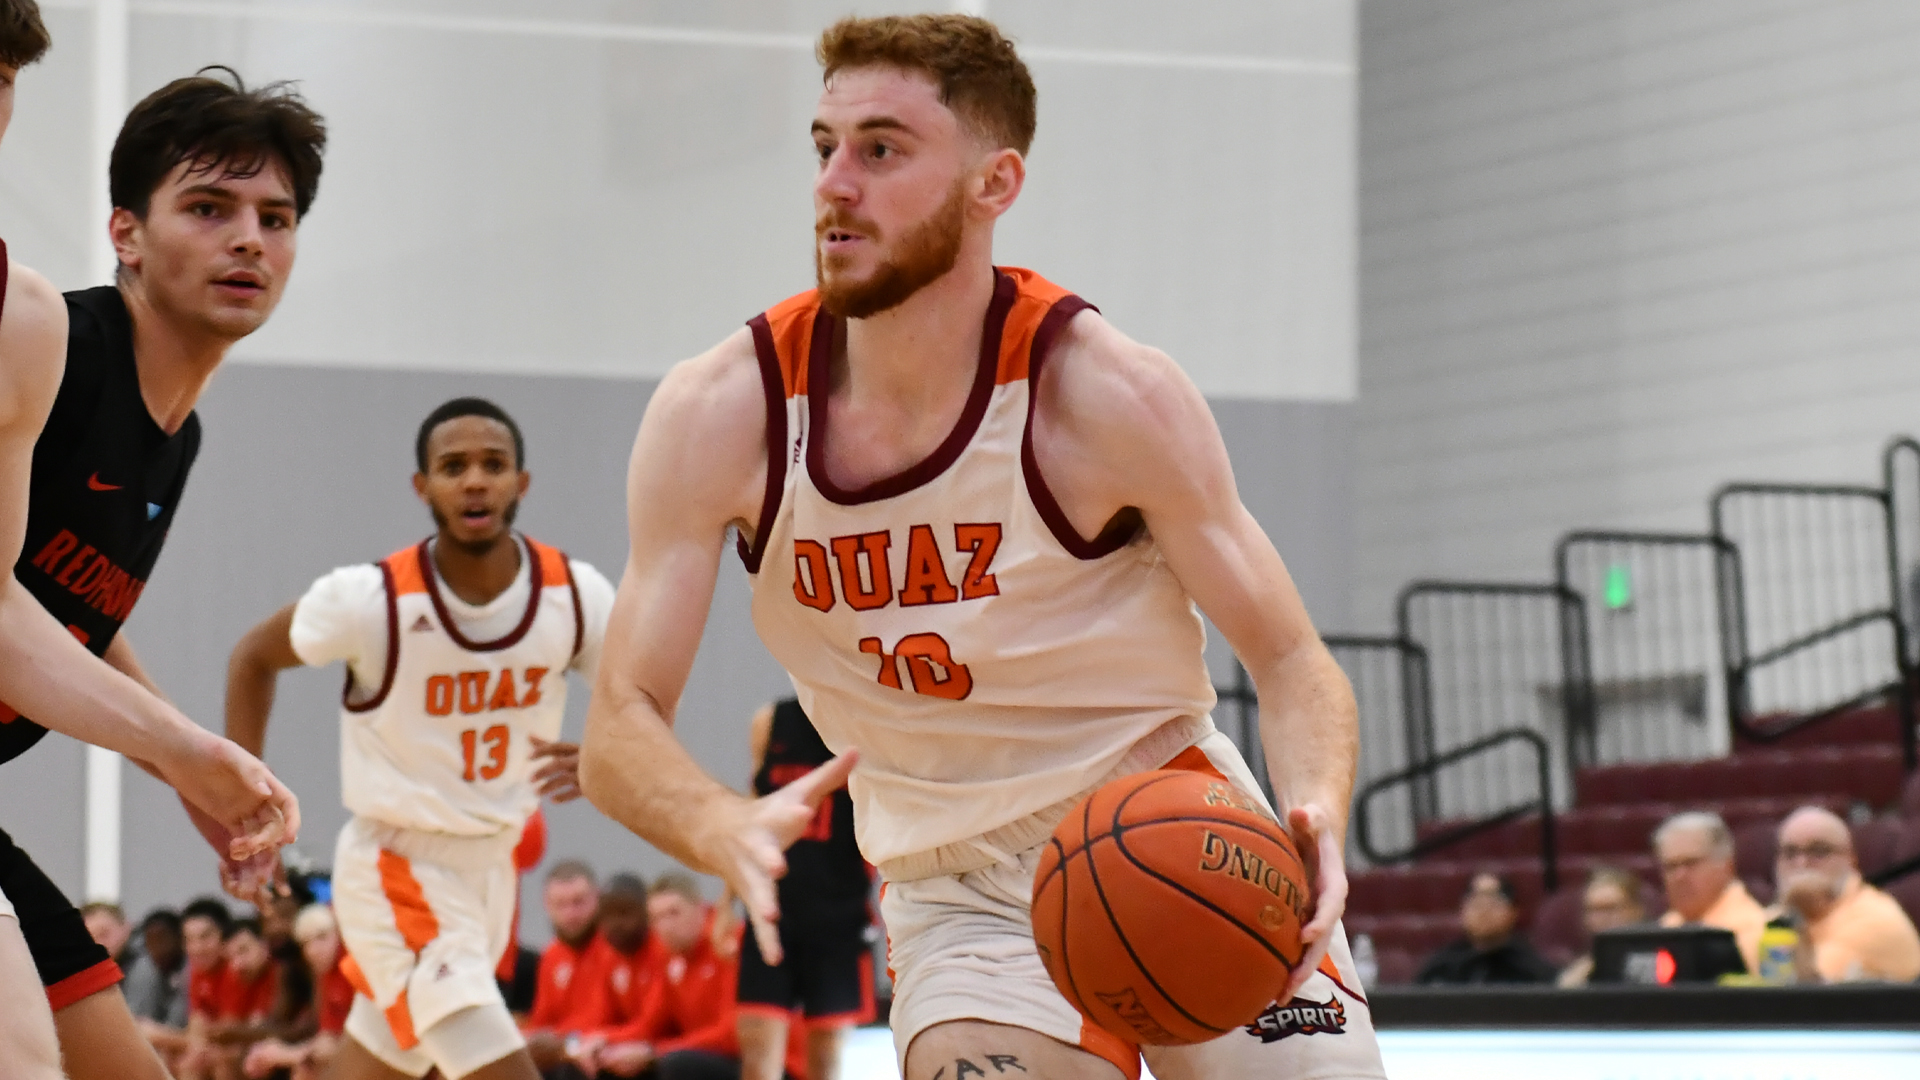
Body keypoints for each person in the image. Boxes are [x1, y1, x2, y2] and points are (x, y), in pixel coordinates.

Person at [579, 14, 1386, 1080]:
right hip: (956, 886)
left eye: (881, 149)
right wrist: (718, 823)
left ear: (994, 184)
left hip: (1170, 813)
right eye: (824, 146)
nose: (834, 183)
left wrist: (1318, 807)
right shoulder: (722, 413)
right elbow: (618, 723)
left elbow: (1288, 661)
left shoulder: (1106, 395)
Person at [0, 37, 314, 1080]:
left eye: (275, 219)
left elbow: (75, 611)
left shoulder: (178, 438)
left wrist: (182, 769)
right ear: (125, 234)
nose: (249, 242)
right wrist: (186, 752)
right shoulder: (56, 343)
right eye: (209, 209)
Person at [224, 396, 616, 1080]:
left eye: (493, 465)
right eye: (453, 465)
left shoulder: (575, 595)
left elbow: (638, 695)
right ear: (422, 486)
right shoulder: (369, 600)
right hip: (395, 866)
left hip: (492, 871)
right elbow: (252, 656)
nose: (474, 480)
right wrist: (242, 798)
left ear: (521, 483)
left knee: (379, 1064)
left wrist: (610, 755)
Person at [712, 699, 871, 1080]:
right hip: (772, 907)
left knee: (826, 1062)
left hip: (839, 914)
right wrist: (725, 902)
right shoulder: (770, 721)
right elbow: (752, 812)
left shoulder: (864, 719)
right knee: (758, 1058)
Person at [1772, 806, 1920, 983]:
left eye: (1819, 851)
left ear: (1851, 859)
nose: (1801, 863)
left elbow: (1811, 999)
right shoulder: (1776, 915)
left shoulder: (1874, 918)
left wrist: (1794, 919)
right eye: (1790, 853)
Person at [243, 903, 355, 1080]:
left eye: (322, 937)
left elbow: (350, 1045)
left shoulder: (352, 965)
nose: (313, 950)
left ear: (339, 934)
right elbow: (328, 1037)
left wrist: (284, 1054)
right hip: (356, 1054)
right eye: (306, 943)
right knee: (305, 1070)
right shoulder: (327, 972)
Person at [1655, 811, 1767, 974]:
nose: (1679, 876)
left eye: (1690, 863)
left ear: (1727, 866)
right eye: (1670, 866)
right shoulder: (1660, 930)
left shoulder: (1757, 933)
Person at [1414, 873, 1558, 985]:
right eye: (1476, 902)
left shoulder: (1533, 969)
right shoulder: (1440, 966)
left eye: (1493, 902)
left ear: (1513, 912)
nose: (1484, 910)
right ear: (1462, 911)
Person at [1556, 866, 1646, 987]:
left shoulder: (1654, 962)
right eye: (1593, 910)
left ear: (1636, 910)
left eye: (1610, 908)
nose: (1602, 918)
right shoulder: (1577, 976)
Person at [125, 908, 191, 1049]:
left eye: (162, 938)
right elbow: (137, 1022)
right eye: (150, 940)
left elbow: (181, 1025)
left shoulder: (192, 968)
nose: (157, 947)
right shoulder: (144, 969)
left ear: (180, 938)